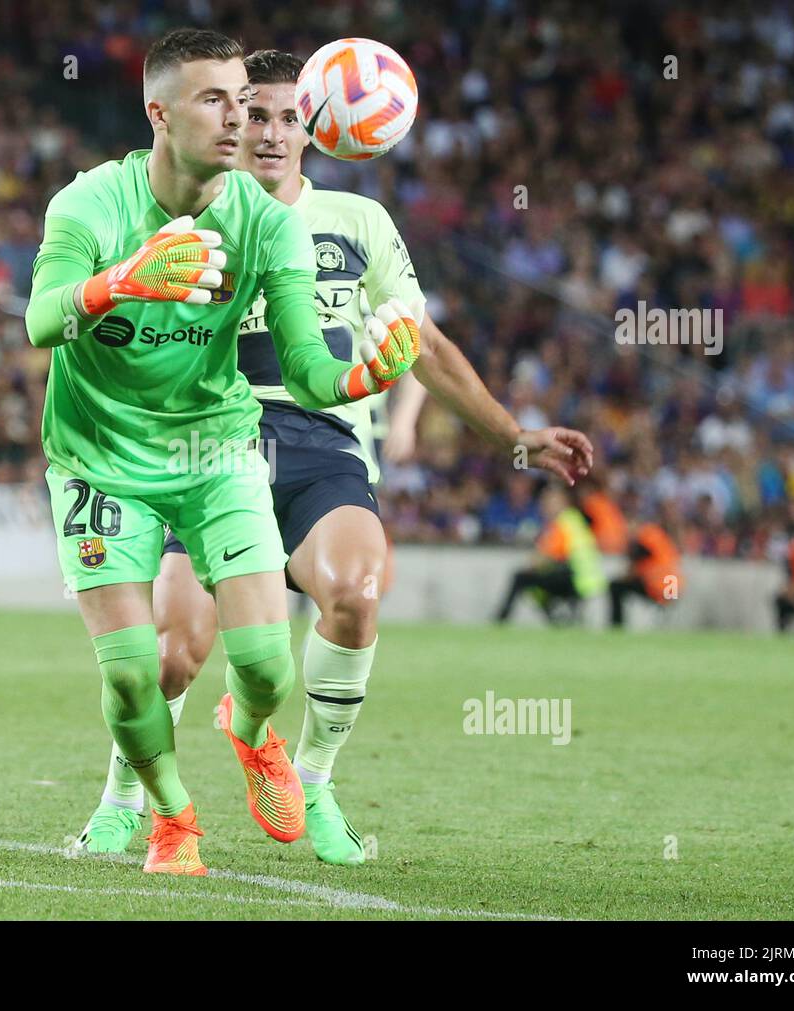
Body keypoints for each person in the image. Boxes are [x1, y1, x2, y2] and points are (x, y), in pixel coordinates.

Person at [71, 49, 592, 866]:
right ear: (229, 121)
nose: (273, 133)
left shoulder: (359, 224)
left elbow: (422, 343)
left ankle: (311, 778)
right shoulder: (180, 216)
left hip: (322, 446)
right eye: (257, 115)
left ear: (315, 125)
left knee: (357, 587)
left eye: (290, 117)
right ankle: (124, 795)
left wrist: (511, 435)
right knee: (172, 652)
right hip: (206, 448)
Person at [25, 29, 423, 876]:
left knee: (269, 661)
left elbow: (313, 368)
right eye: (224, 102)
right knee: (145, 667)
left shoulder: (280, 226)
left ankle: (260, 739)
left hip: (222, 449)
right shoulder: (91, 204)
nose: (247, 123)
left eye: (254, 104)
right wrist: (122, 281)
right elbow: (37, 321)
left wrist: (363, 377)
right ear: (158, 112)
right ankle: (161, 810)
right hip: (100, 457)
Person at [496, 486, 604, 624]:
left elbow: (547, 556)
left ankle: (501, 619)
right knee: (532, 581)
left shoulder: (563, 523)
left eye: (550, 502)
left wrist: (533, 562)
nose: (545, 506)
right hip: (586, 579)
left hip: (574, 579)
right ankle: (558, 618)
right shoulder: (574, 519)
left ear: (564, 502)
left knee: (521, 577)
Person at [608, 519, 681, 627]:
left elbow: (634, 566)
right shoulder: (658, 537)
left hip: (658, 585)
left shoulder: (645, 538)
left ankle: (617, 625)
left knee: (615, 587)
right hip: (672, 585)